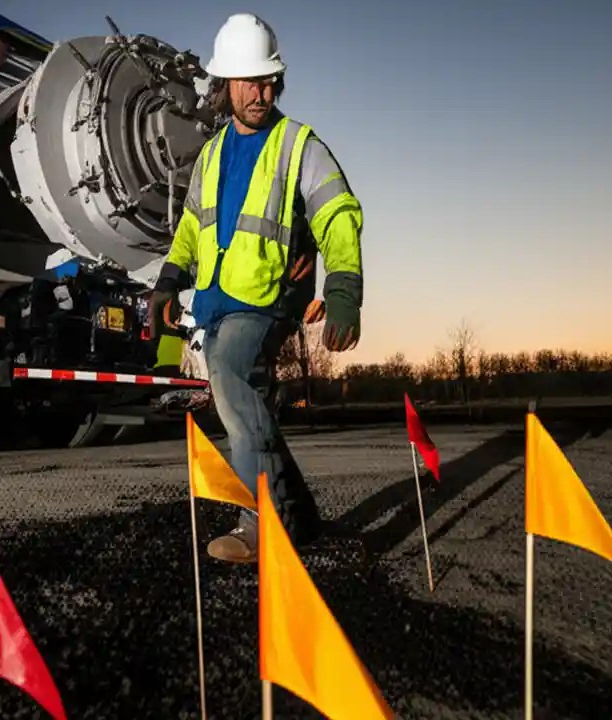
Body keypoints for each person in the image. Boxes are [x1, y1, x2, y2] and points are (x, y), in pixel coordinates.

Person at [149, 12, 364, 563]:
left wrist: (343, 287)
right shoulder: (213, 153)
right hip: (215, 304)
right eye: (249, 82)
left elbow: (337, 212)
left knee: (234, 382)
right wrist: (168, 283)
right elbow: (192, 228)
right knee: (250, 409)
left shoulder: (299, 145)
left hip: (267, 301)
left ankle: (261, 521)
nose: (261, 93)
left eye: (269, 81)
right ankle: (299, 515)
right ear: (226, 85)